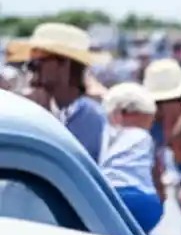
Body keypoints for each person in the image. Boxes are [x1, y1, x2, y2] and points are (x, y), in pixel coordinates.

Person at [12, 22, 109, 161]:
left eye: (38, 62)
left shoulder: (90, 117)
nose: (32, 69)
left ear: (64, 64)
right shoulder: (53, 110)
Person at [100, 82, 163, 233]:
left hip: (109, 196)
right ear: (122, 113)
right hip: (144, 200)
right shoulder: (142, 137)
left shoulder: (104, 133)